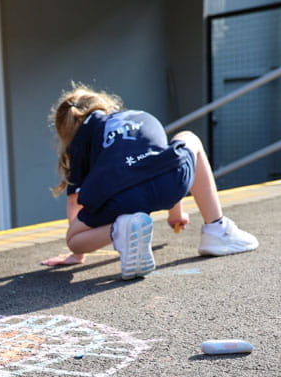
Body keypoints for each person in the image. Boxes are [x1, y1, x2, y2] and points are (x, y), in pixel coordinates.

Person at [42, 83, 258, 279]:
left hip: (120, 197)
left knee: (74, 239)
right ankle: (216, 229)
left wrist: (77, 253)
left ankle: (121, 229)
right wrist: (176, 214)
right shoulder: (139, 116)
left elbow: (75, 200)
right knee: (188, 138)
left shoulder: (83, 138)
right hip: (169, 183)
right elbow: (164, 160)